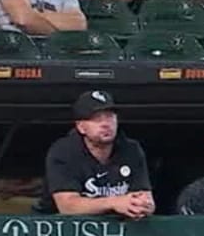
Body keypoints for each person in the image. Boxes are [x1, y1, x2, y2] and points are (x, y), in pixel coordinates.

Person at [34, 89, 153, 217]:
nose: (106, 124)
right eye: (97, 119)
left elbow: (147, 199)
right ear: (81, 126)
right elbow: (67, 206)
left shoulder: (131, 149)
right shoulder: (63, 151)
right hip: (57, 225)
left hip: (117, 226)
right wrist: (114, 202)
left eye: (110, 116)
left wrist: (143, 206)